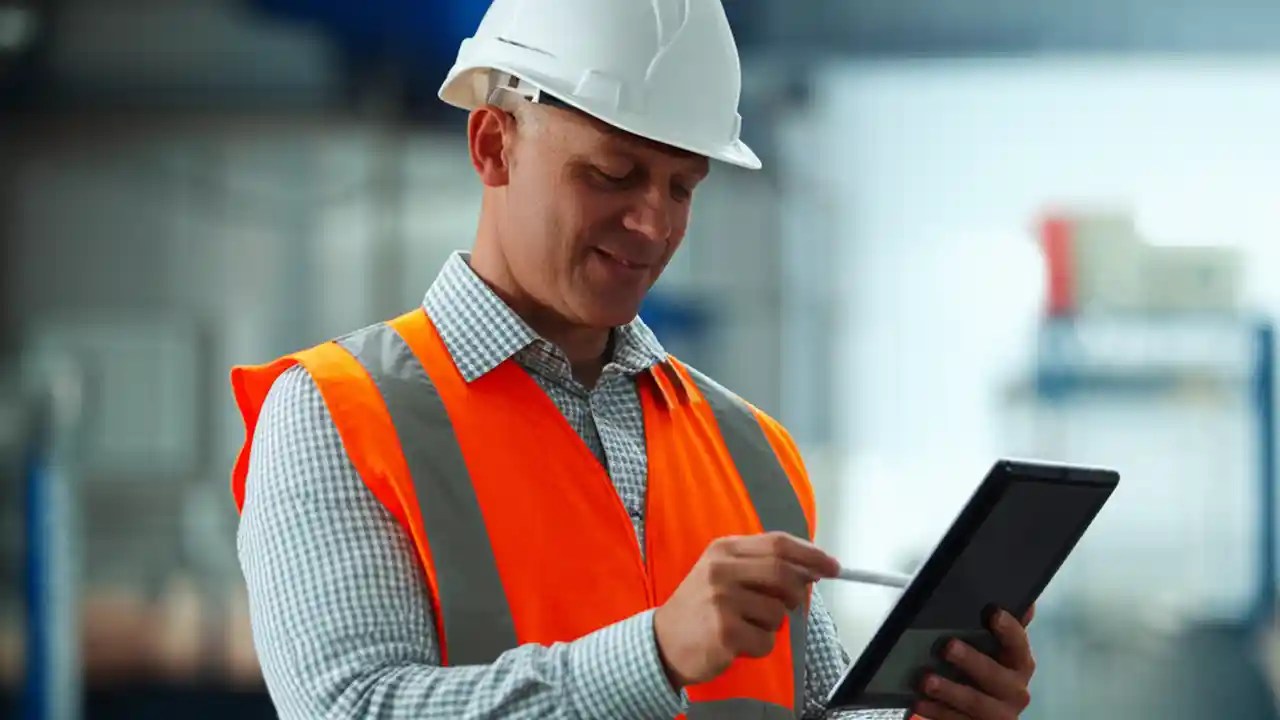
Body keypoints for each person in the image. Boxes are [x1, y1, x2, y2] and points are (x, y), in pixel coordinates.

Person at [231, 1, 1039, 718]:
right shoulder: (337, 415)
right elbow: (354, 705)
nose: (653, 225)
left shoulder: (750, 451)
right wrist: (653, 657)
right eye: (613, 175)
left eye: (682, 187)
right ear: (493, 145)